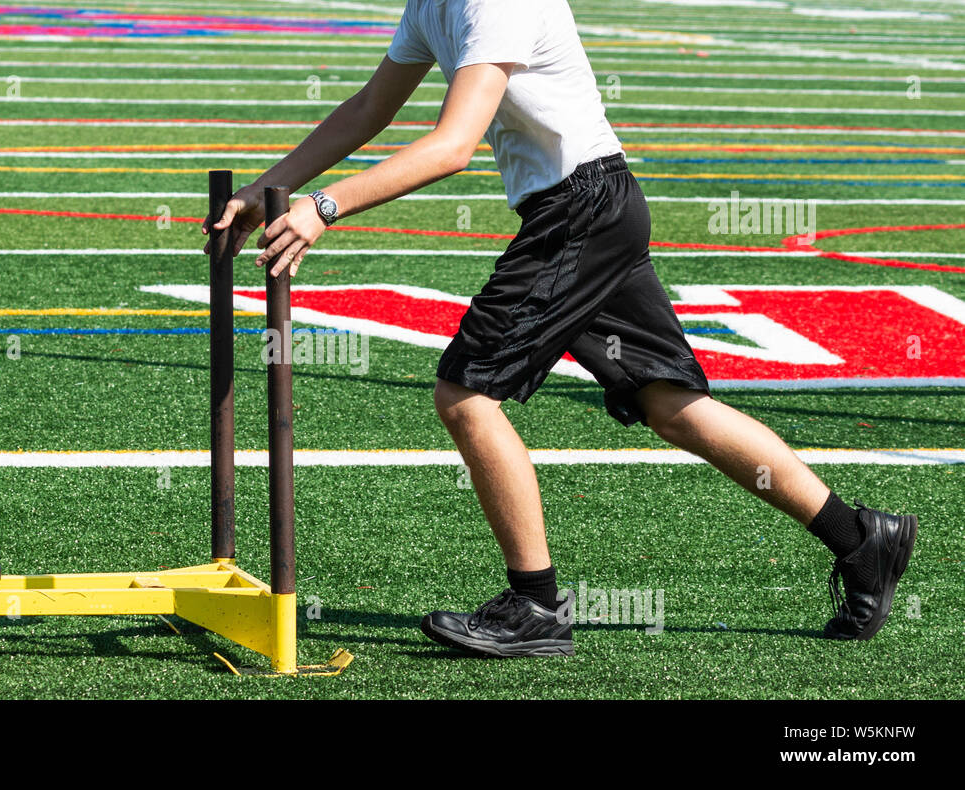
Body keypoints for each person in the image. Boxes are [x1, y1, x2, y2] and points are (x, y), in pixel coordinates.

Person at [203, 0, 916, 656]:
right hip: (594, 206)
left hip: (579, 211)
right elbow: (369, 108)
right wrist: (272, 191)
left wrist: (324, 208)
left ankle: (536, 606)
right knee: (671, 406)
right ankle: (860, 541)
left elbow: (453, 145)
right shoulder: (434, 3)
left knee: (465, 393)